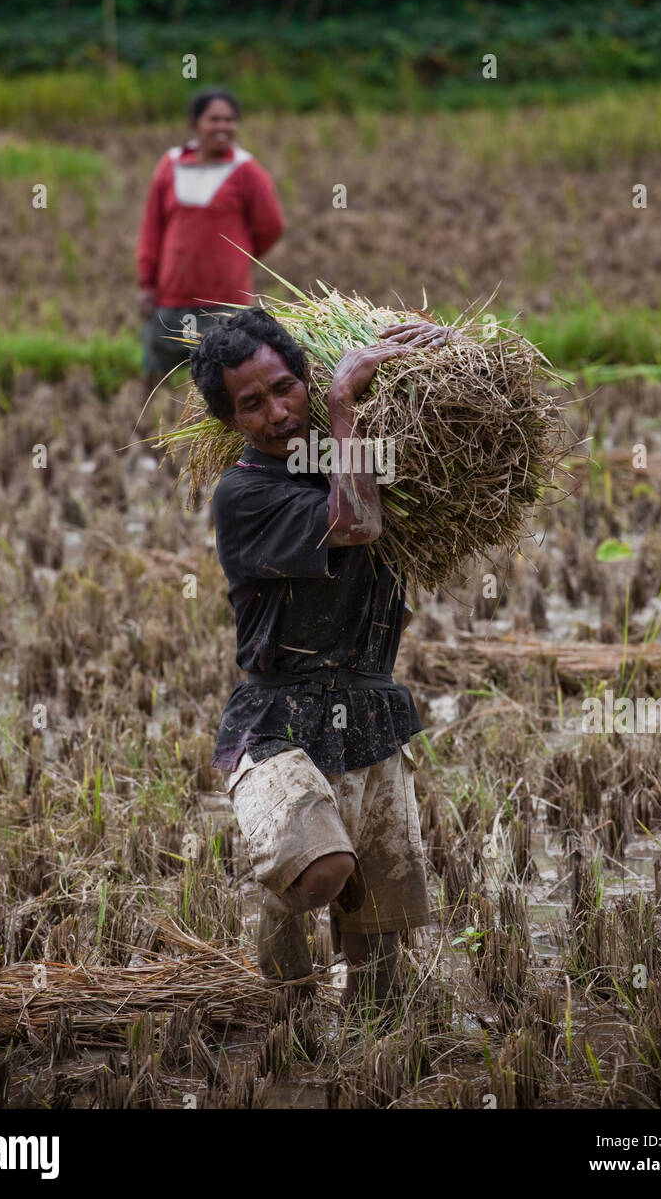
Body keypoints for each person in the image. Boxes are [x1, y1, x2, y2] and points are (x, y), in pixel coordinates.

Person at [189, 306, 451, 1009]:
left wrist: (435, 344)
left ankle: (372, 1057)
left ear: (303, 373)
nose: (277, 412)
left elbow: (442, 407)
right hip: (281, 719)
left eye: (286, 388)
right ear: (231, 422)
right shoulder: (247, 495)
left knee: (381, 952)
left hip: (371, 711)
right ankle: (283, 984)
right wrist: (340, 402)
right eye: (252, 404)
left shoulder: (359, 452)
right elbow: (356, 521)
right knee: (322, 871)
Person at [136, 89, 285, 398]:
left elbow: (271, 226)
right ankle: (148, 434)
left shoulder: (246, 171)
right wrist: (147, 283)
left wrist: (235, 257)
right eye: (214, 119)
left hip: (224, 302)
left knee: (220, 385)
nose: (223, 127)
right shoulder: (171, 164)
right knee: (157, 375)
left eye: (230, 120)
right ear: (195, 124)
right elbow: (153, 228)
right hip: (171, 296)